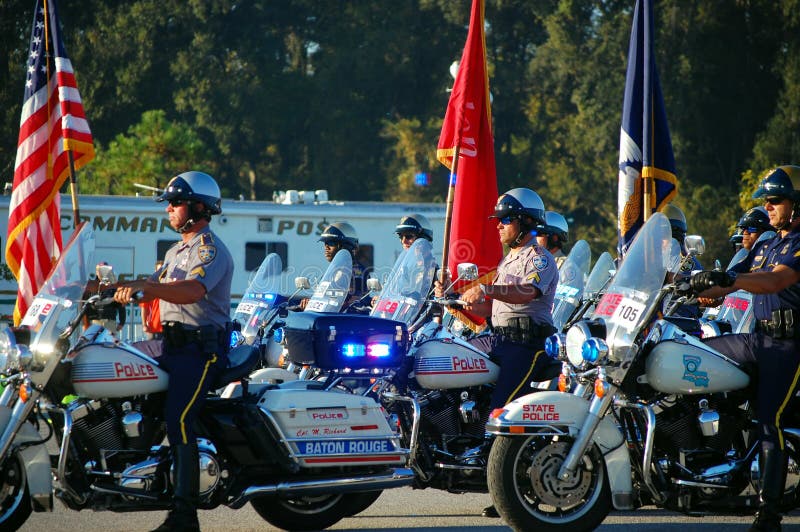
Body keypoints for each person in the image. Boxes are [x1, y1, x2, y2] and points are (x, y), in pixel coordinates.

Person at [114, 171, 233, 532]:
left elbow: (193, 290)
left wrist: (151, 289)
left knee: (178, 420)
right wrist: (105, 288)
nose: (168, 208)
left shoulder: (209, 249)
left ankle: (185, 515)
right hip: (171, 346)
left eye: (175, 202)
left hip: (201, 351)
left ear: (199, 207)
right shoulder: (175, 250)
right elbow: (153, 287)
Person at [435, 187, 560, 518]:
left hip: (526, 345)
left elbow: (526, 292)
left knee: (501, 412)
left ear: (523, 221)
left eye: (504, 220)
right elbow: (495, 305)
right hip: (498, 339)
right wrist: (459, 299)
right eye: (499, 220)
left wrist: (488, 288)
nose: (498, 225)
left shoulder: (540, 258)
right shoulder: (511, 259)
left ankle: (506, 489)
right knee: (446, 362)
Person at [690, 165, 800, 531]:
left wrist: (730, 279)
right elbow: (732, 285)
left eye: (774, 200)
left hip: (789, 345)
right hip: (757, 339)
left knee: (772, 422)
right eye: (766, 201)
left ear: (795, 202)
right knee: (697, 355)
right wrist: (689, 288)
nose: (767, 207)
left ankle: (769, 513)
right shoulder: (768, 243)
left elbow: (774, 281)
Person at [318, 221, 369, 307]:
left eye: (331, 243)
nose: (326, 247)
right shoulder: (331, 271)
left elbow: (356, 300)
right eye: (325, 243)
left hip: (346, 318)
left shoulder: (357, 271)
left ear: (346, 245)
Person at [140, 260, 164, 340]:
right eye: (159, 270)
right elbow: (144, 307)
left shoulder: (169, 286)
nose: (161, 272)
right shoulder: (149, 287)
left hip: (166, 327)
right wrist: (144, 324)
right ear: (155, 271)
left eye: (163, 270)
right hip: (153, 326)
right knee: (151, 350)